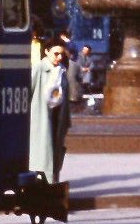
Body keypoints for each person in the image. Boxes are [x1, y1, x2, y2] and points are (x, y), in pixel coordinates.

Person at [29, 43, 72, 182]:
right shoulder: (38, 68)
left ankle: (53, 180)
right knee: (43, 152)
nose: (59, 57)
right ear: (46, 52)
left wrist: (66, 120)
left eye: (62, 54)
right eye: (56, 54)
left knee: (55, 150)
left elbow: (65, 96)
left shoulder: (62, 71)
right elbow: (28, 91)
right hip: (42, 117)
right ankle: (43, 181)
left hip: (58, 116)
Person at [75, 45, 98, 109]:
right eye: (84, 50)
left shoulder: (90, 57)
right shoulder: (78, 56)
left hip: (87, 71)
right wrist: (82, 68)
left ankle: (87, 84)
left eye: (86, 50)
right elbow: (77, 64)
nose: (85, 51)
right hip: (79, 71)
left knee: (89, 73)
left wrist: (88, 69)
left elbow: (92, 65)